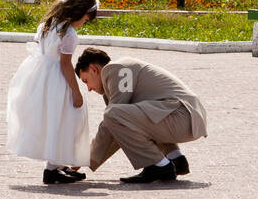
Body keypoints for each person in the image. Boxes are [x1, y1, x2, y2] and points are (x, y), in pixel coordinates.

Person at [75, 47, 209, 184]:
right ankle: (175, 158)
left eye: (86, 81)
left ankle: (159, 165)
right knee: (128, 117)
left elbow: (112, 122)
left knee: (113, 114)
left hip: (183, 116)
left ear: (93, 69)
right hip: (187, 118)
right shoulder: (118, 75)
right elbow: (120, 127)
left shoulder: (116, 69)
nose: (89, 89)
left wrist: (83, 159)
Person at [6, 0, 94, 185]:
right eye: (86, 19)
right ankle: (52, 169)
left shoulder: (47, 24)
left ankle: (59, 165)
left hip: (40, 75)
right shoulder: (69, 33)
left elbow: (40, 49)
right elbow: (65, 64)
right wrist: (76, 91)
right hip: (58, 79)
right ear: (79, 13)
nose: (84, 23)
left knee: (51, 118)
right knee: (67, 118)